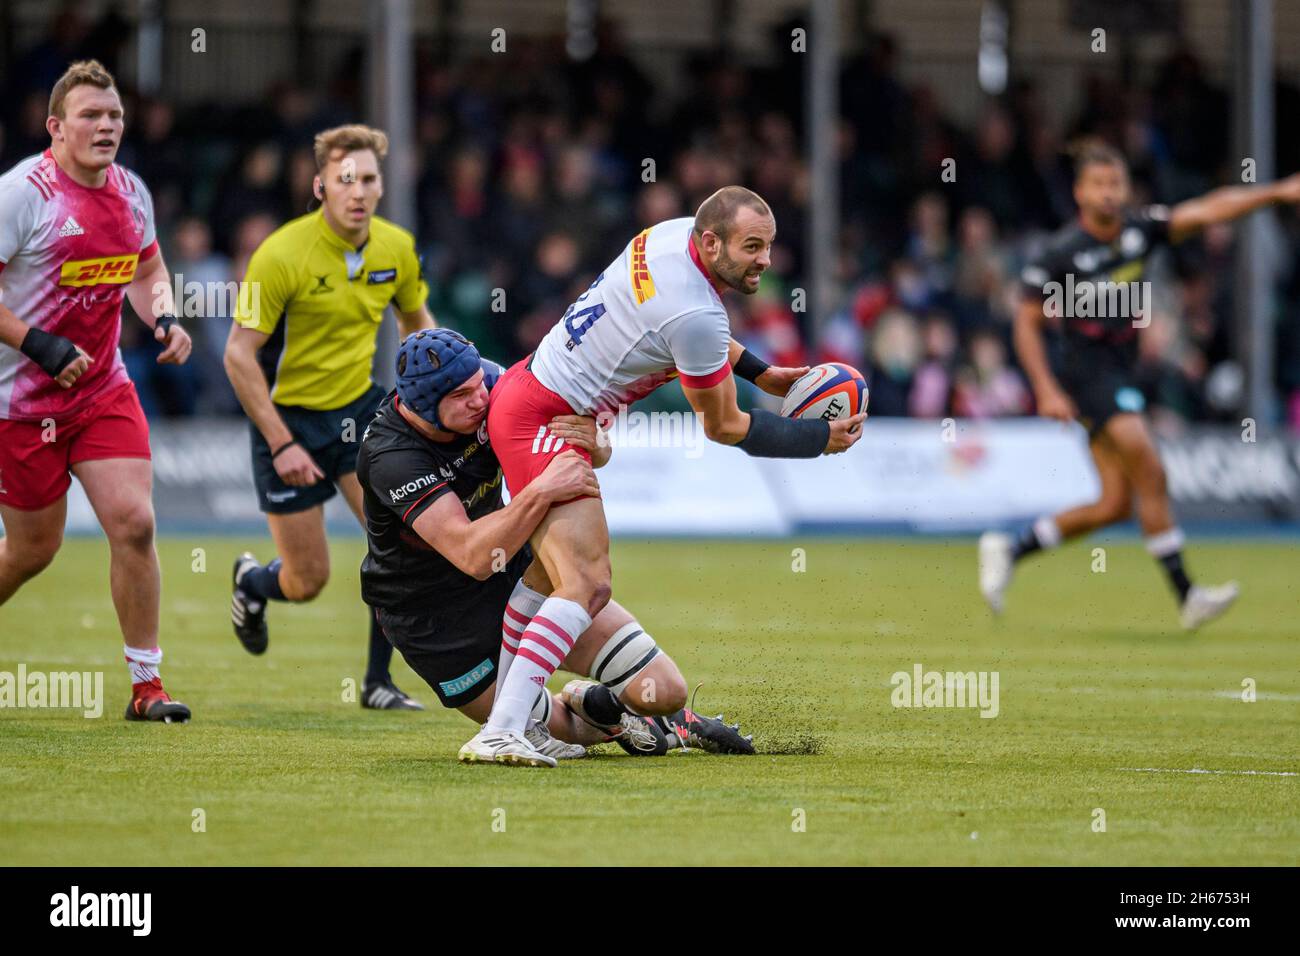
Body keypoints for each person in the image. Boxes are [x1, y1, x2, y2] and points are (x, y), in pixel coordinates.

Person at [465, 185, 865, 765]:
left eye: (770, 246)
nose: (766, 260)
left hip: (532, 394)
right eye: (753, 246)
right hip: (546, 421)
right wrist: (816, 440)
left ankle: (517, 723)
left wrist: (766, 374)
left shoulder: (671, 235)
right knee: (588, 581)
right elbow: (724, 426)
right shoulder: (696, 312)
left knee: (549, 582)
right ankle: (500, 730)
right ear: (712, 241)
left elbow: (691, 334)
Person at [357, 328, 755, 766]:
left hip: (512, 570)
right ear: (422, 408)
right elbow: (471, 556)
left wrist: (596, 443)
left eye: (477, 384)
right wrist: (542, 490)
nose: (480, 399)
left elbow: (588, 453)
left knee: (662, 690)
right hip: (432, 617)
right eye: (460, 396)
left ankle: (626, 709)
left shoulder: (492, 384)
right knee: (559, 729)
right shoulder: (391, 456)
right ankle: (602, 717)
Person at [980, 141, 1300, 629]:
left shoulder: (1139, 231)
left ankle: (1009, 548)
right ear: (1079, 192)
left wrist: (1275, 192)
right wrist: (1045, 388)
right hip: (1085, 374)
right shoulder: (1060, 253)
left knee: (1113, 504)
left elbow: (1209, 208)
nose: (1109, 194)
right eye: (1098, 185)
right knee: (1147, 462)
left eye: (1115, 184)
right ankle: (1188, 595)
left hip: (1123, 370)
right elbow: (1025, 324)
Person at [0, 60, 193, 721]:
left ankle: (147, 686)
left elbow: (148, 267)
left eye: (114, 115)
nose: (106, 125)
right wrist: (40, 345)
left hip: (102, 389)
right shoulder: (21, 195)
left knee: (135, 524)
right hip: (20, 406)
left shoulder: (131, 191)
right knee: (33, 551)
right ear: (56, 127)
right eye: (91, 115)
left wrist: (164, 315)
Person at [223, 124, 436, 708]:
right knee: (307, 579)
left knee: (403, 541)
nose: (359, 191)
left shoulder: (395, 248)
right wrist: (281, 441)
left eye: (368, 179)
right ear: (320, 187)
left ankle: (377, 683)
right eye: (346, 180)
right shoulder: (281, 254)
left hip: (362, 412)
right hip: (288, 422)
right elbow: (239, 356)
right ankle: (252, 582)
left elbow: (420, 326)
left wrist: (444, 387)